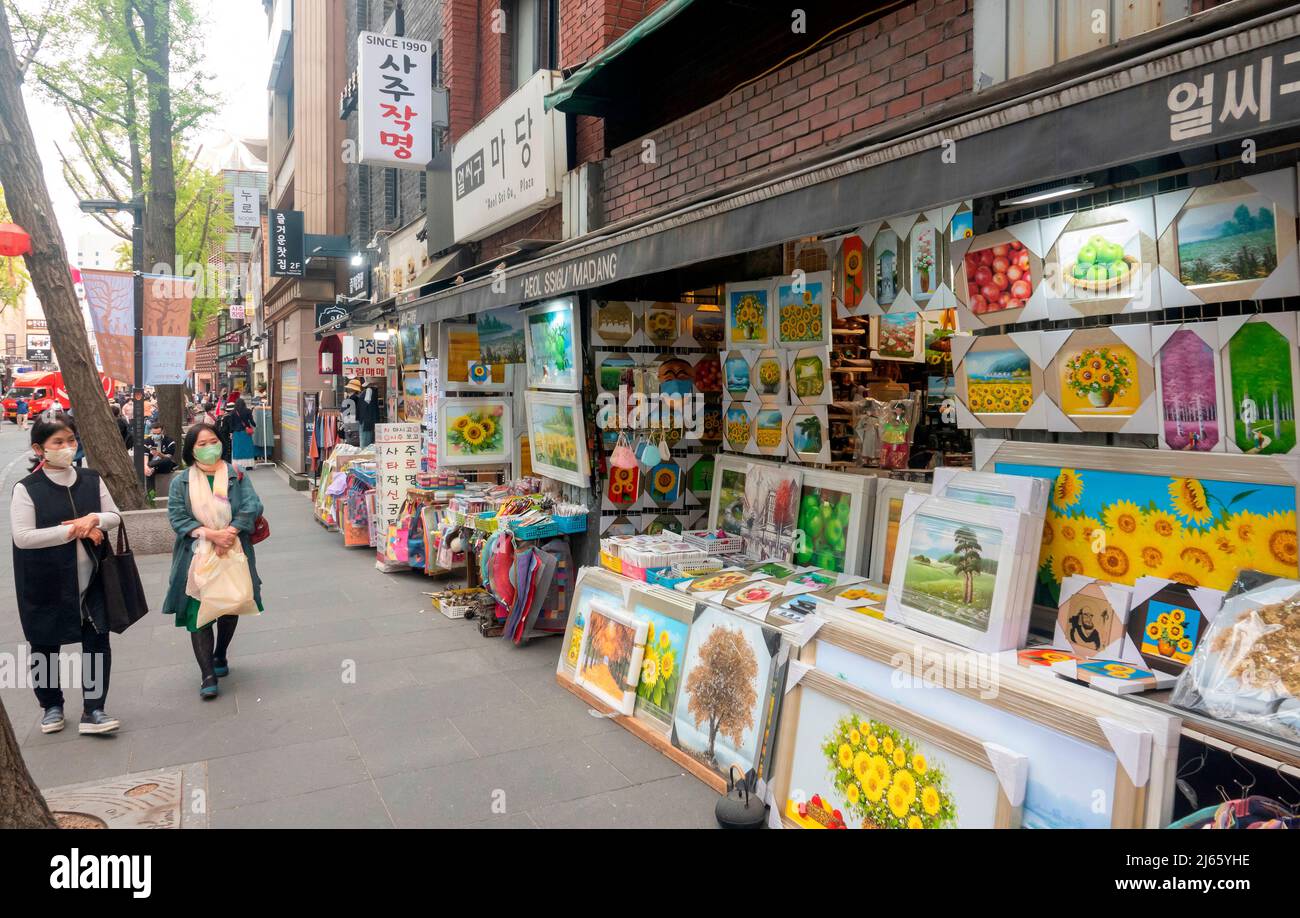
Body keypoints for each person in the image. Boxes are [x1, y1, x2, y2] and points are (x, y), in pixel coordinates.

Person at [10, 416, 123, 734]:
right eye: (57, 442)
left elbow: (113, 515)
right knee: (45, 645)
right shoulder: (27, 489)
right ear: (39, 448)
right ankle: (51, 706)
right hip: (45, 580)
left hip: (92, 577)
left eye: (70, 440)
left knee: (97, 642)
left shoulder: (90, 478)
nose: (67, 448)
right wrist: (74, 529)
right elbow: (23, 537)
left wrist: (94, 519)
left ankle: (94, 709)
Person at [161, 424, 264, 698]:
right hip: (196, 554)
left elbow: (252, 505)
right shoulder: (181, 481)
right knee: (198, 610)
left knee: (231, 603)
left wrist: (229, 532)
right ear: (191, 450)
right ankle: (207, 673)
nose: (210, 447)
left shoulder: (235, 474)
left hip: (234, 548)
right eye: (202, 443)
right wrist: (210, 534)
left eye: (213, 441)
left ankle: (220, 654)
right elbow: (177, 517)